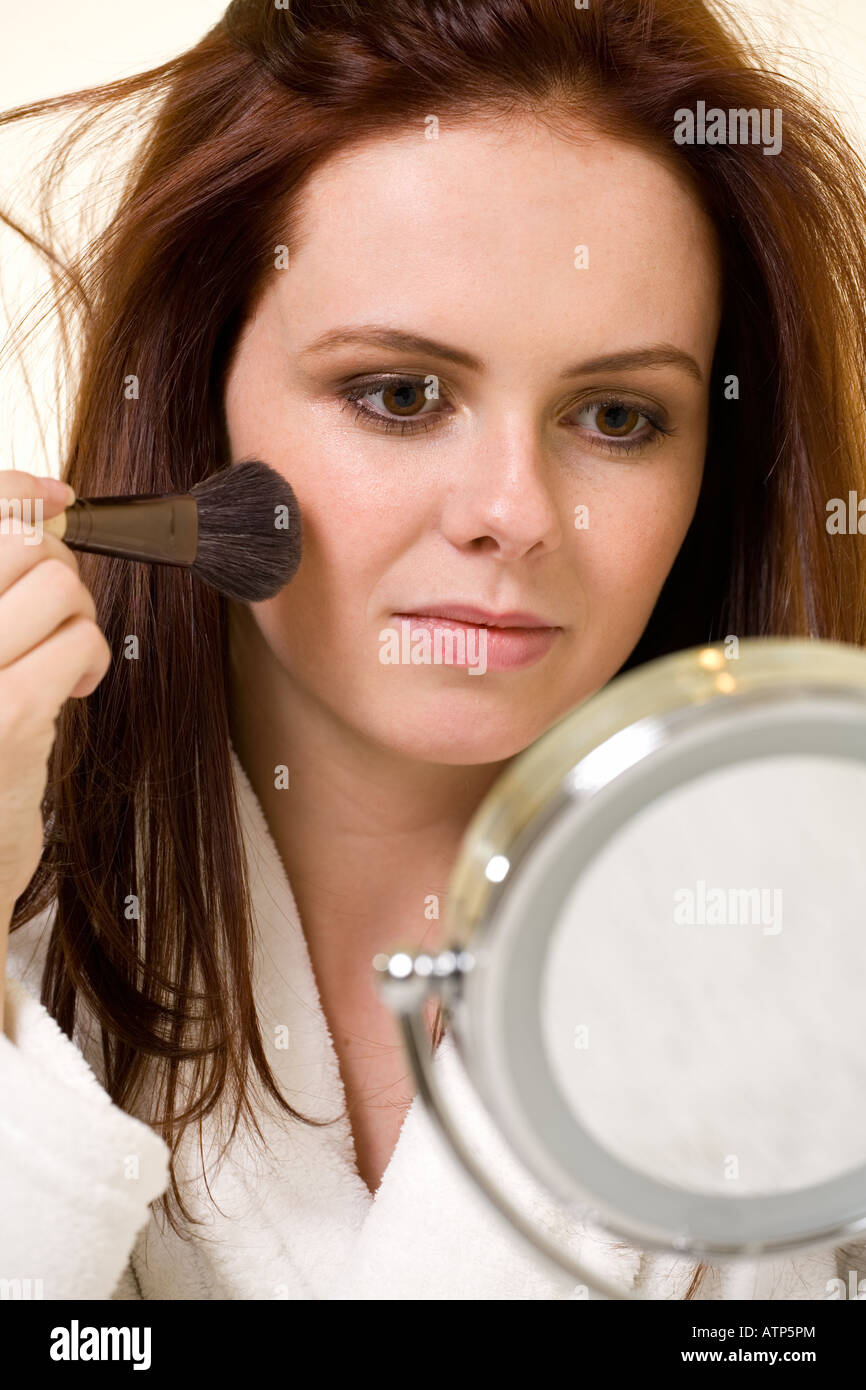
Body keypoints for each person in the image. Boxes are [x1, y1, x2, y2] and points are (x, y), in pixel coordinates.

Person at [1, 0, 865, 1300]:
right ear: (199, 399)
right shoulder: (37, 939)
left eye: (617, 414)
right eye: (399, 395)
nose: (512, 512)